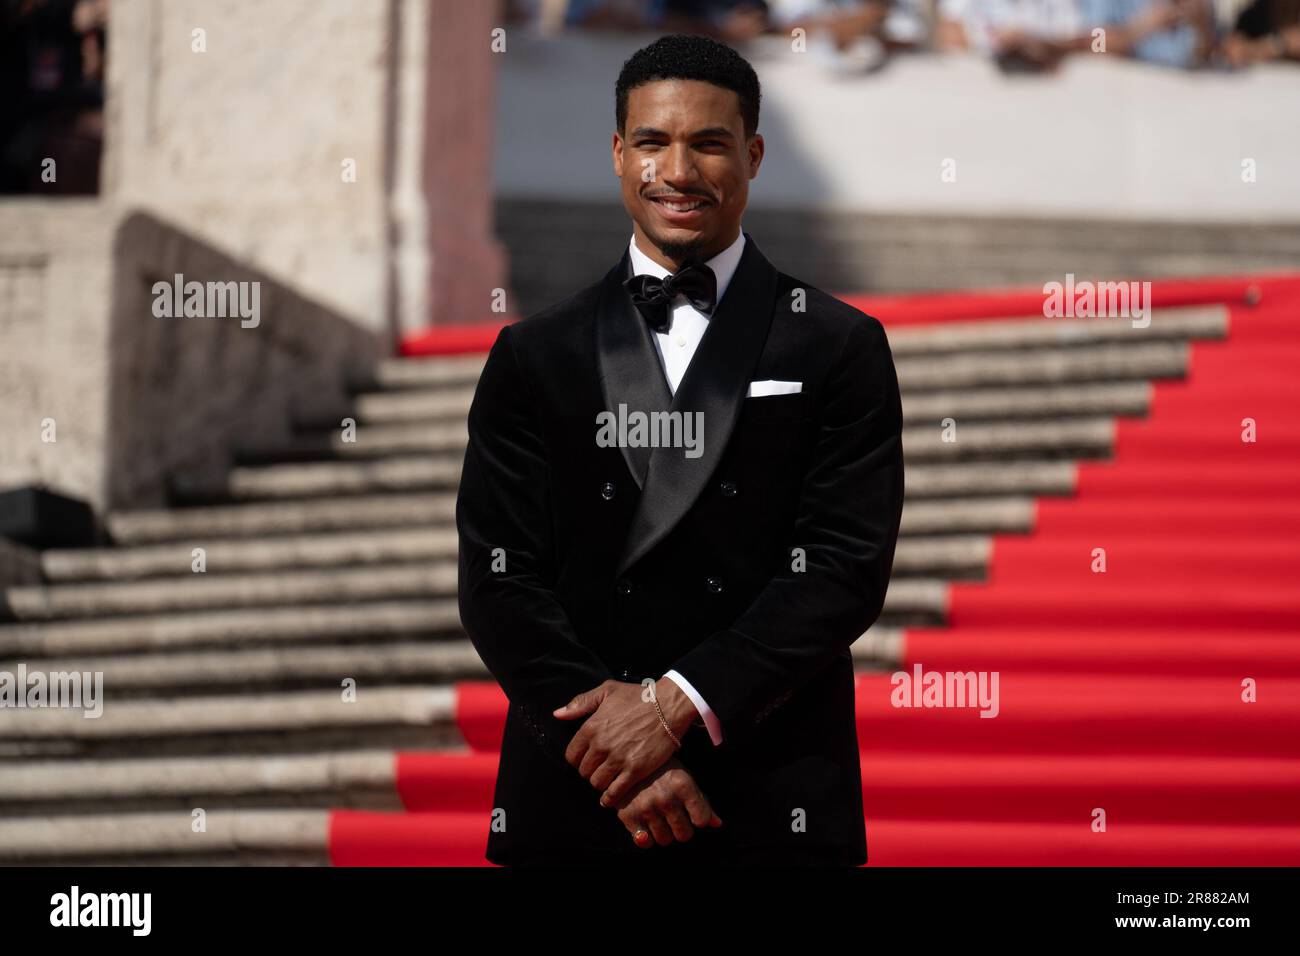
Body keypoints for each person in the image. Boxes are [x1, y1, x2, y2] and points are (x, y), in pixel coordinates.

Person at [456, 33, 905, 866]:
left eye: (709, 143)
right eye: (655, 142)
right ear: (619, 154)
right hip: (580, 794)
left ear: (755, 155)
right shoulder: (533, 353)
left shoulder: (838, 346)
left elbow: (843, 569)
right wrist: (618, 759)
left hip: (768, 791)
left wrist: (674, 708)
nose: (680, 171)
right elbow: (498, 579)